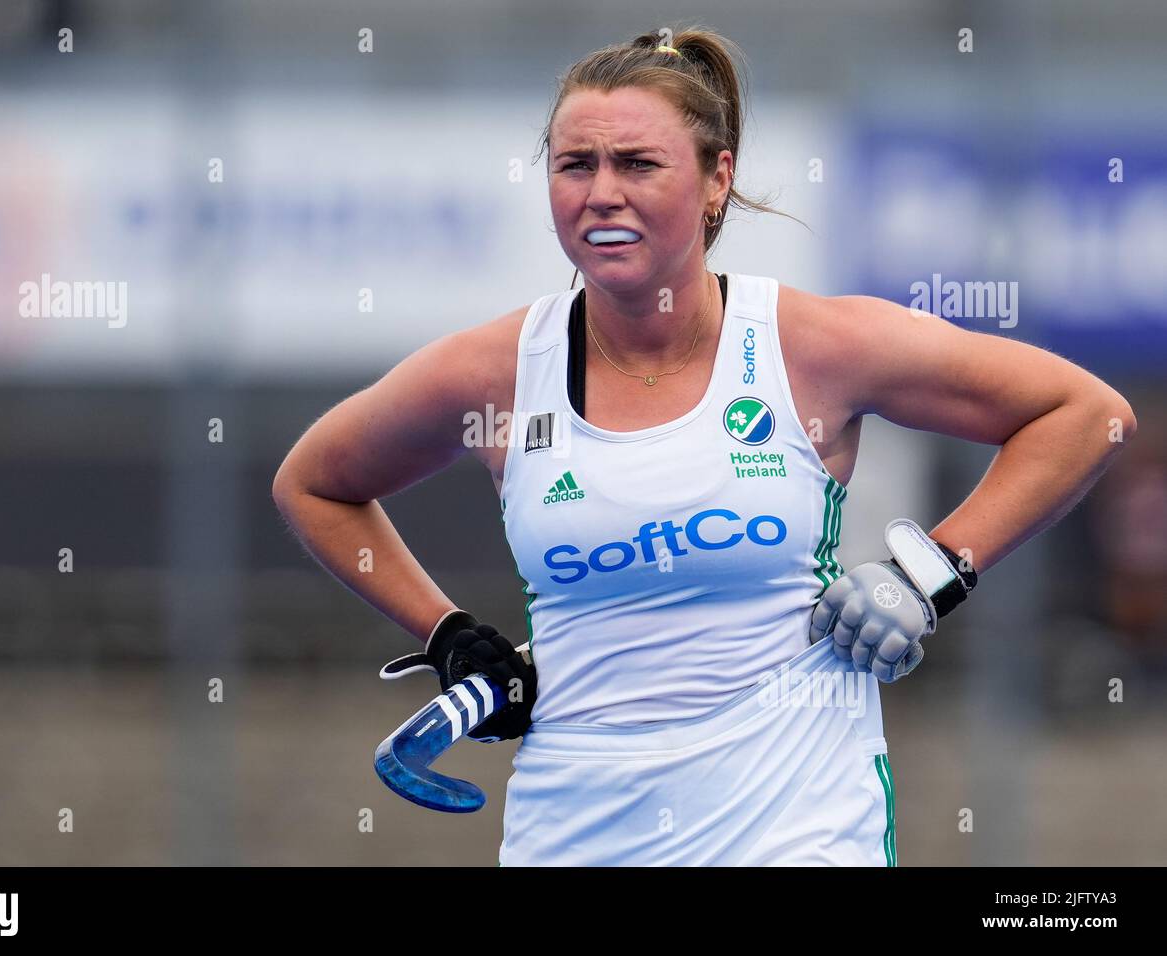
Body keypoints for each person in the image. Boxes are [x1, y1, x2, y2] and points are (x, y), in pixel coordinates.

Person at [271, 27, 1137, 865]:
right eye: (576, 164)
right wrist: (450, 635)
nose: (601, 192)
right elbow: (313, 484)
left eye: (638, 164)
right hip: (574, 826)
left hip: (798, 824)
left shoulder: (814, 346)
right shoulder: (496, 370)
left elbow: (1083, 411)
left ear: (717, 179)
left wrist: (934, 573)